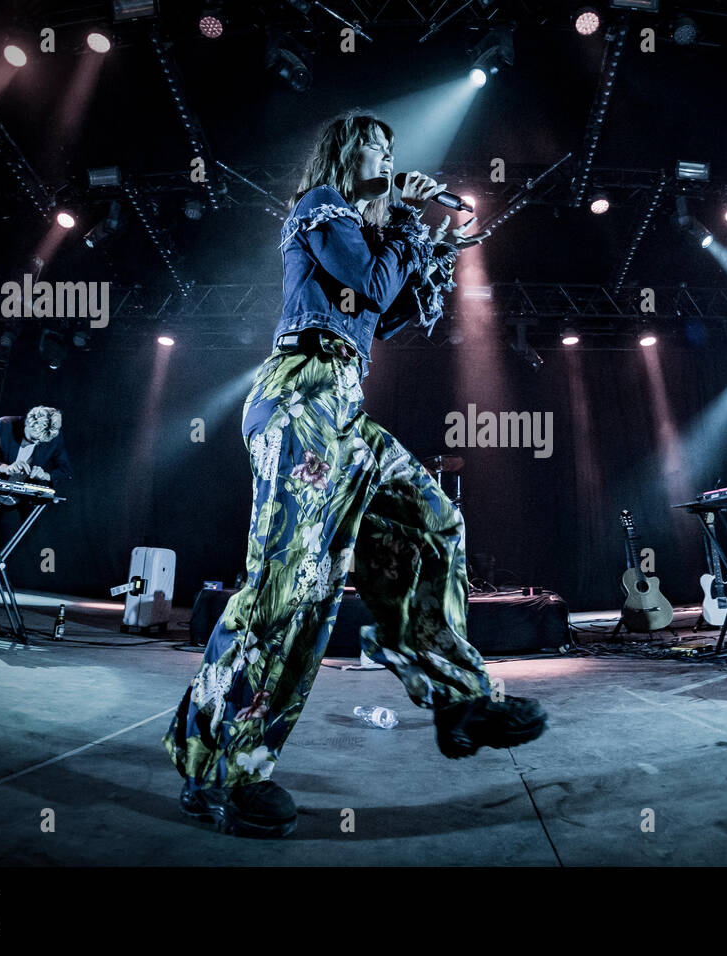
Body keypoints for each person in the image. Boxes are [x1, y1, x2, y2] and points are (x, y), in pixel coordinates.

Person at [164, 111, 547, 838]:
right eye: (374, 144)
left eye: (392, 146)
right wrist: (404, 217)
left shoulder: (367, 230)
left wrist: (430, 252)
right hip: (296, 391)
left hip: (342, 404)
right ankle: (223, 771)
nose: (388, 153)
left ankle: (457, 698)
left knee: (431, 520)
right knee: (290, 588)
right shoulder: (318, 208)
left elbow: (391, 312)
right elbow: (366, 280)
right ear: (343, 153)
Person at [0, 406, 71, 633]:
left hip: (14, 503)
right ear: (27, 423)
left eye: (41, 441)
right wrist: (5, 467)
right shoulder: (3, 426)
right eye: (32, 438)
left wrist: (46, 475)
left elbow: (64, 471)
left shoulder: (51, 437)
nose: (36, 443)